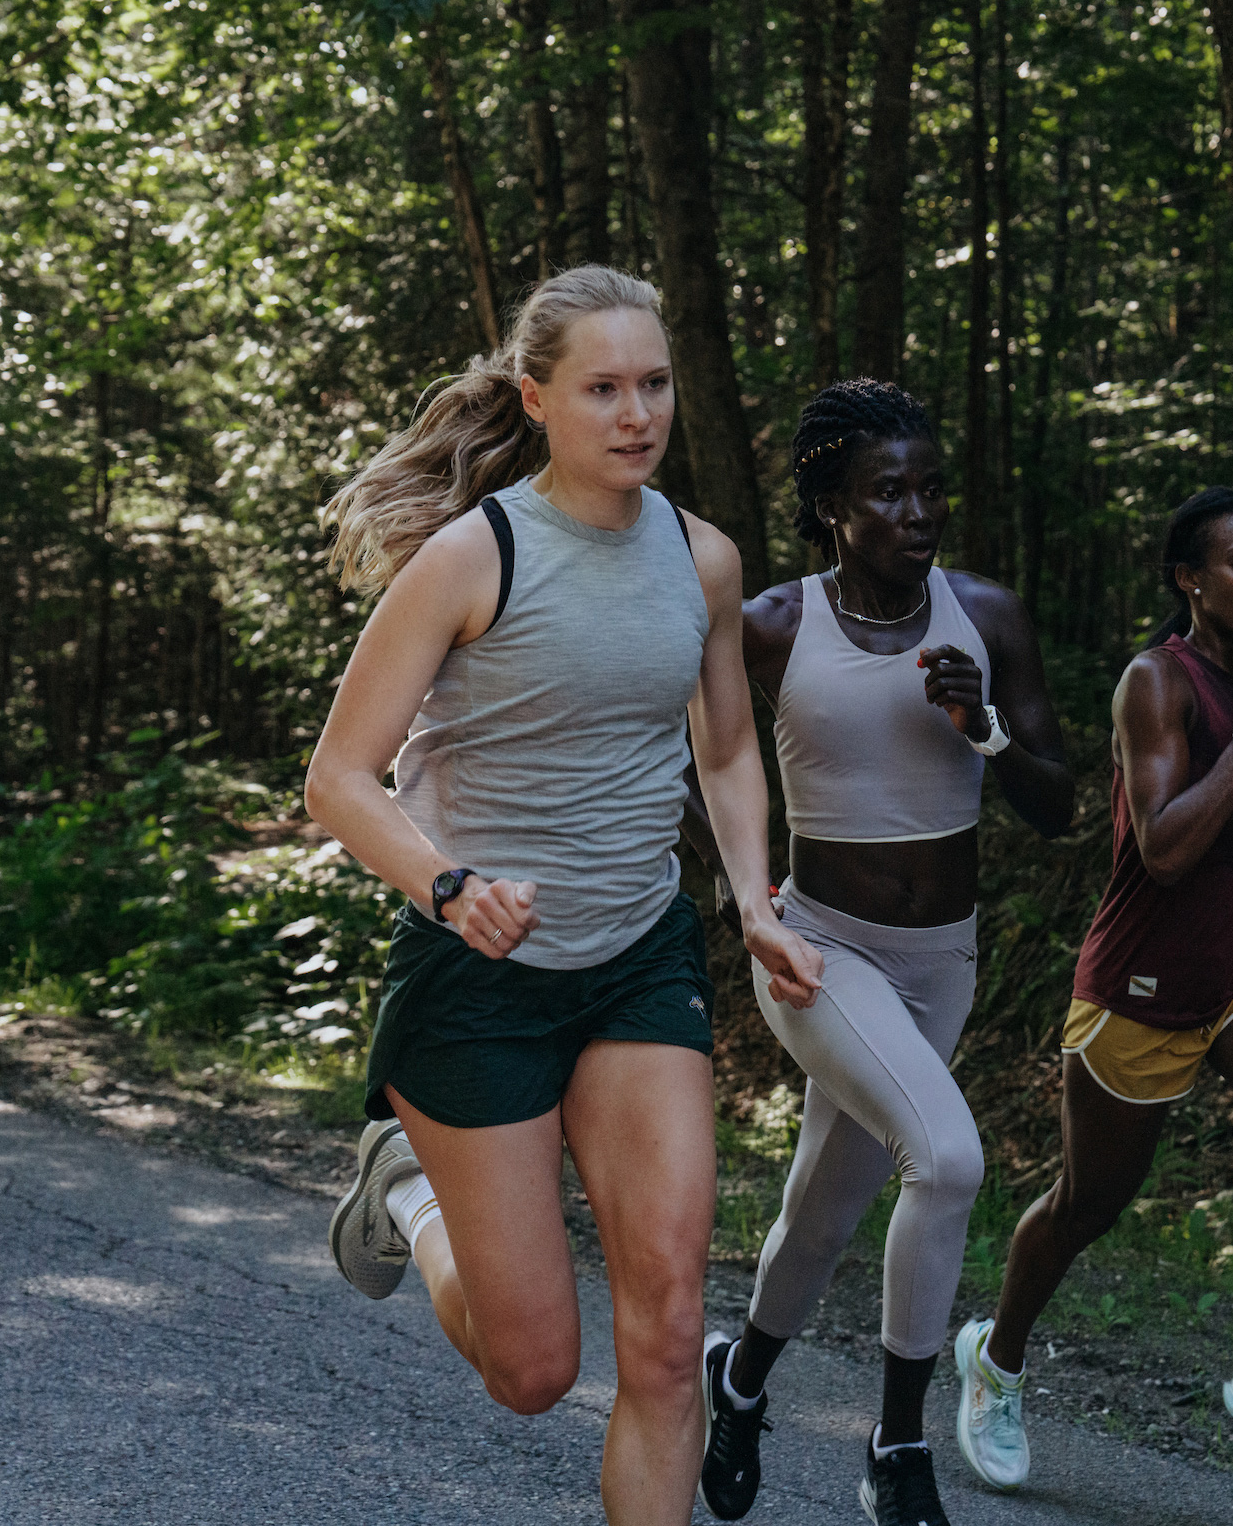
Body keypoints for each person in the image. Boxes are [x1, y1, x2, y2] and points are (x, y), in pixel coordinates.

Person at [303, 264, 823, 1526]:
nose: (637, 413)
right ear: (537, 399)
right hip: (475, 976)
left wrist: (754, 895)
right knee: (534, 1372)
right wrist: (447, 882)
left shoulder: (701, 557)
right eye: (603, 388)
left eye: (654, 385)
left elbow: (729, 744)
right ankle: (405, 1191)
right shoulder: (468, 559)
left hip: (638, 961)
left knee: (666, 1331)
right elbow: (338, 776)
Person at [951, 486, 1233, 1487]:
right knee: (1086, 1204)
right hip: (1138, 992)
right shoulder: (1160, 680)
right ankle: (997, 1356)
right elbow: (1157, 846)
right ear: (1190, 578)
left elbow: (1228, 817)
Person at [687, 379, 1073, 1526]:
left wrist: (988, 729)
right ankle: (899, 1444)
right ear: (832, 511)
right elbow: (693, 756)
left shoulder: (987, 618)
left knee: (825, 1203)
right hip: (816, 949)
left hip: (937, 959)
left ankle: (739, 1381)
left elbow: (1058, 808)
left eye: (930, 487)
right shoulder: (772, 624)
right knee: (946, 1158)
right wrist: (742, 893)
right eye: (887, 492)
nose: (919, 510)